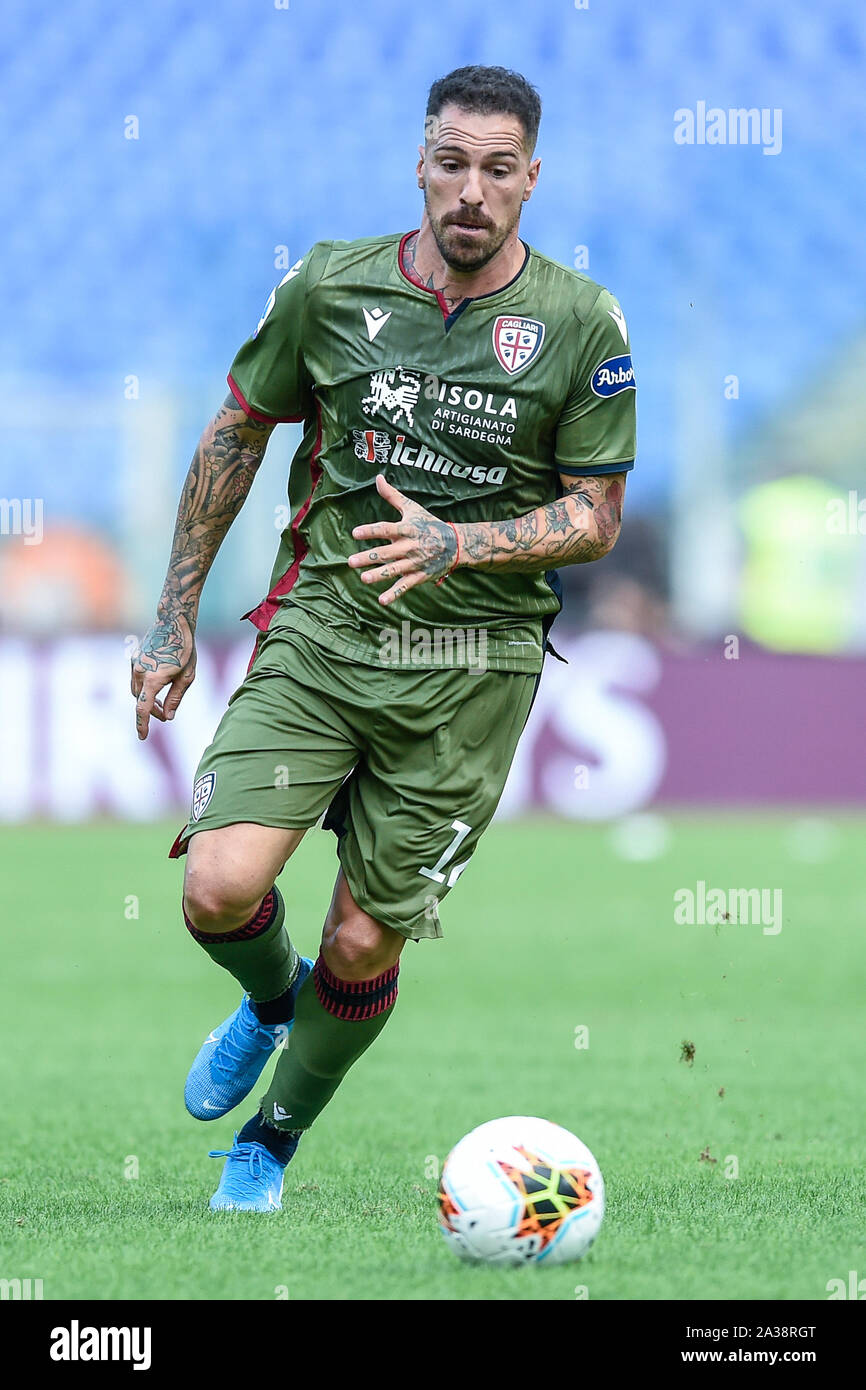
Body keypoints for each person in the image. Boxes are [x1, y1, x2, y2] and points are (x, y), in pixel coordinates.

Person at [130, 64, 635, 1212]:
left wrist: (459, 544)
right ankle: (268, 1001)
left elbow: (593, 515)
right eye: (450, 162)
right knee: (217, 884)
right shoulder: (328, 285)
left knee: (362, 941)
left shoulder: (577, 321)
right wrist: (169, 623)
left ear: (531, 180)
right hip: (323, 629)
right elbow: (233, 436)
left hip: (475, 668)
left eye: (496, 169)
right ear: (420, 163)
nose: (470, 190)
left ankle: (271, 1138)